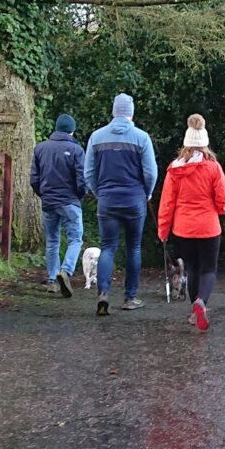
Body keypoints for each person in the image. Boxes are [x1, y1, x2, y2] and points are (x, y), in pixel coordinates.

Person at [84, 93, 158, 316]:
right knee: (133, 246)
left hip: (107, 200)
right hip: (134, 200)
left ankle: (103, 293)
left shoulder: (96, 137)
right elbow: (151, 172)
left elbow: (88, 172)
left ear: (114, 111)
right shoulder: (142, 137)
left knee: (108, 247)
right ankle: (130, 297)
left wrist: (99, 193)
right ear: (131, 113)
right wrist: (147, 193)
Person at [157, 114, 225, 331]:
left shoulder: (174, 169)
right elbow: (224, 196)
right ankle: (201, 302)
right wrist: (219, 210)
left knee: (192, 269)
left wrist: (163, 229)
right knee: (209, 269)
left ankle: (194, 311)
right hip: (208, 226)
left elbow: (167, 202)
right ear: (205, 142)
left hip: (184, 228)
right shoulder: (213, 167)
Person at [30, 113, 85, 298]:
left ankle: (53, 279)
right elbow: (82, 179)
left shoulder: (40, 148)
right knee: (75, 239)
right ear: (72, 131)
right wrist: (79, 196)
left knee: (52, 241)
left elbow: (34, 179)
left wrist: (43, 194)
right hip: (69, 202)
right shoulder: (76, 150)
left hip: (48, 201)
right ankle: (66, 271)